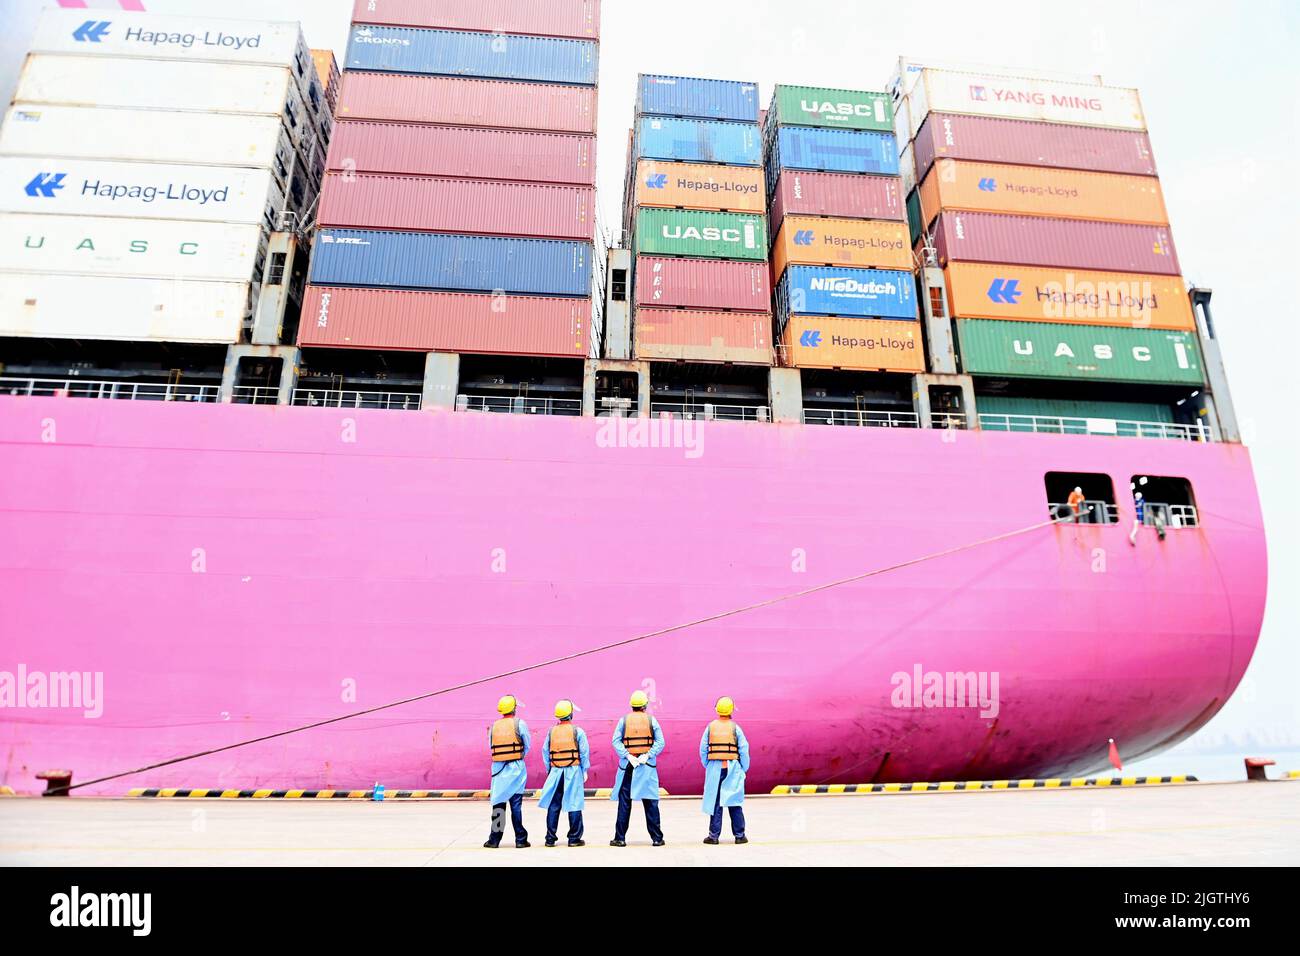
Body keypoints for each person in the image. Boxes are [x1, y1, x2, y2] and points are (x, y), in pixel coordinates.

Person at [610, 690, 666, 846]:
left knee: (624, 803)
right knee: (650, 802)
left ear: (631, 705)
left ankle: (620, 838)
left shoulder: (624, 721)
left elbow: (616, 741)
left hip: (628, 765)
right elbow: (660, 742)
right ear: (645, 705)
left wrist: (628, 756)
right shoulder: (651, 720)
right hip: (646, 765)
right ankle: (657, 838)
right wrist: (647, 755)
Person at [537, 698, 589, 847]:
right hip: (573, 770)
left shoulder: (551, 732)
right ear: (571, 714)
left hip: (555, 771)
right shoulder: (577, 731)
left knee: (554, 805)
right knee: (574, 803)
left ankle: (550, 838)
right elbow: (584, 752)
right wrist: (584, 770)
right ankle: (574, 839)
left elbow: (545, 752)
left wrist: (550, 769)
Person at [700, 696, 750, 845]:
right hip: (732, 768)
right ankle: (739, 835)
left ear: (717, 709)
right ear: (731, 710)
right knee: (734, 801)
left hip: (715, 768)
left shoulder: (710, 727)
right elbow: (744, 750)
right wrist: (743, 768)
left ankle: (713, 836)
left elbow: (703, 749)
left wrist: (708, 765)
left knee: (715, 803)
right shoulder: (736, 728)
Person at [484, 694, 531, 848]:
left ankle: (494, 840)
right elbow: (527, 745)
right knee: (516, 806)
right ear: (514, 709)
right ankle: (520, 839)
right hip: (516, 769)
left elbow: (491, 745)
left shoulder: (494, 726)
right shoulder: (520, 724)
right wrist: (517, 756)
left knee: (498, 806)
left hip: (498, 770)